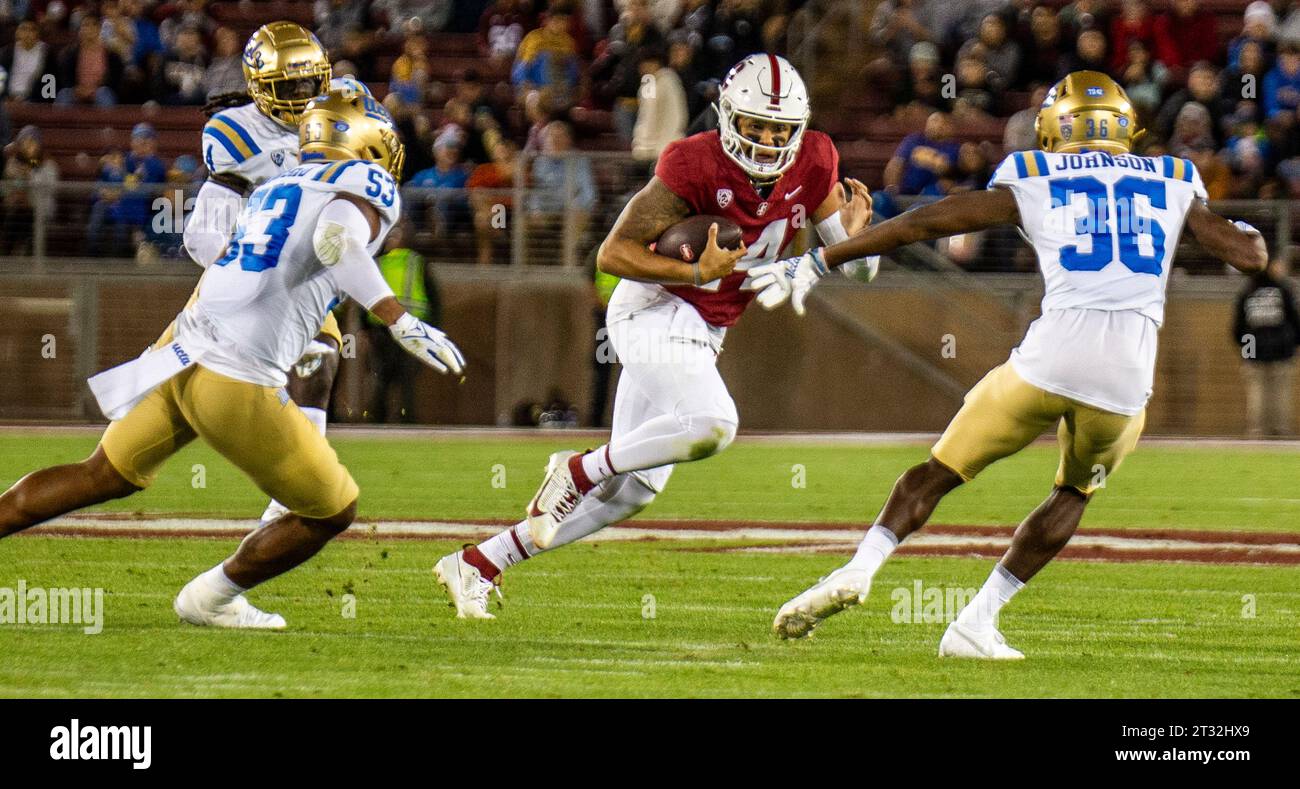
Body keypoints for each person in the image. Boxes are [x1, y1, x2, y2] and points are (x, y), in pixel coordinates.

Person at [753, 71, 1269, 657]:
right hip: (1125, 378)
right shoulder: (1174, 178)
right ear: (1126, 128)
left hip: (1048, 360)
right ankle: (978, 621)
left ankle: (863, 565)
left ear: (1055, 127)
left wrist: (822, 260)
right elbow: (1248, 254)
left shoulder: (1034, 172)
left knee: (939, 471)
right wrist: (1237, 228)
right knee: (1074, 492)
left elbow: (927, 222)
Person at [0, 89, 466, 629]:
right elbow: (338, 240)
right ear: (362, 142)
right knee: (334, 509)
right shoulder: (366, 184)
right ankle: (212, 597)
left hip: (181, 349)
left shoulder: (279, 185)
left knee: (102, 473)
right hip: (233, 379)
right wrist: (399, 319)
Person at [433, 54, 877, 619]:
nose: (767, 141)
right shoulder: (693, 162)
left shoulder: (815, 158)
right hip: (652, 310)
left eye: (778, 129)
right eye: (755, 126)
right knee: (714, 424)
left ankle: (479, 562)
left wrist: (860, 241)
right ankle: (576, 470)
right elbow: (613, 253)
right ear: (727, 119)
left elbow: (854, 267)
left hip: (704, 329)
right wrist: (695, 272)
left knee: (634, 492)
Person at [173, 22, 341, 526]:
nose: (303, 95)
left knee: (320, 361)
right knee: (149, 431)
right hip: (241, 276)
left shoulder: (340, 120)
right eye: (289, 86)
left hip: (301, 282)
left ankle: (291, 492)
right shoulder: (236, 133)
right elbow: (201, 236)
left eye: (311, 83)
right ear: (260, 86)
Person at [363, 220, 443, 423]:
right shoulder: (397, 263)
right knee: (390, 376)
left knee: (396, 377)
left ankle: (391, 419)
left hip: (397, 328)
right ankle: (389, 418)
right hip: (391, 330)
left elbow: (365, 296)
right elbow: (435, 299)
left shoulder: (397, 263)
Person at [1234, 255, 1300, 437]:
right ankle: (1280, 430)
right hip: (1282, 348)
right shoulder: (1283, 290)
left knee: (1256, 391)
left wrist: (1246, 352)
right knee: (1281, 391)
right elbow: (1295, 320)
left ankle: (1256, 431)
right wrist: (1293, 346)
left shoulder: (1247, 291)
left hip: (1253, 346)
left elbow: (1239, 326)